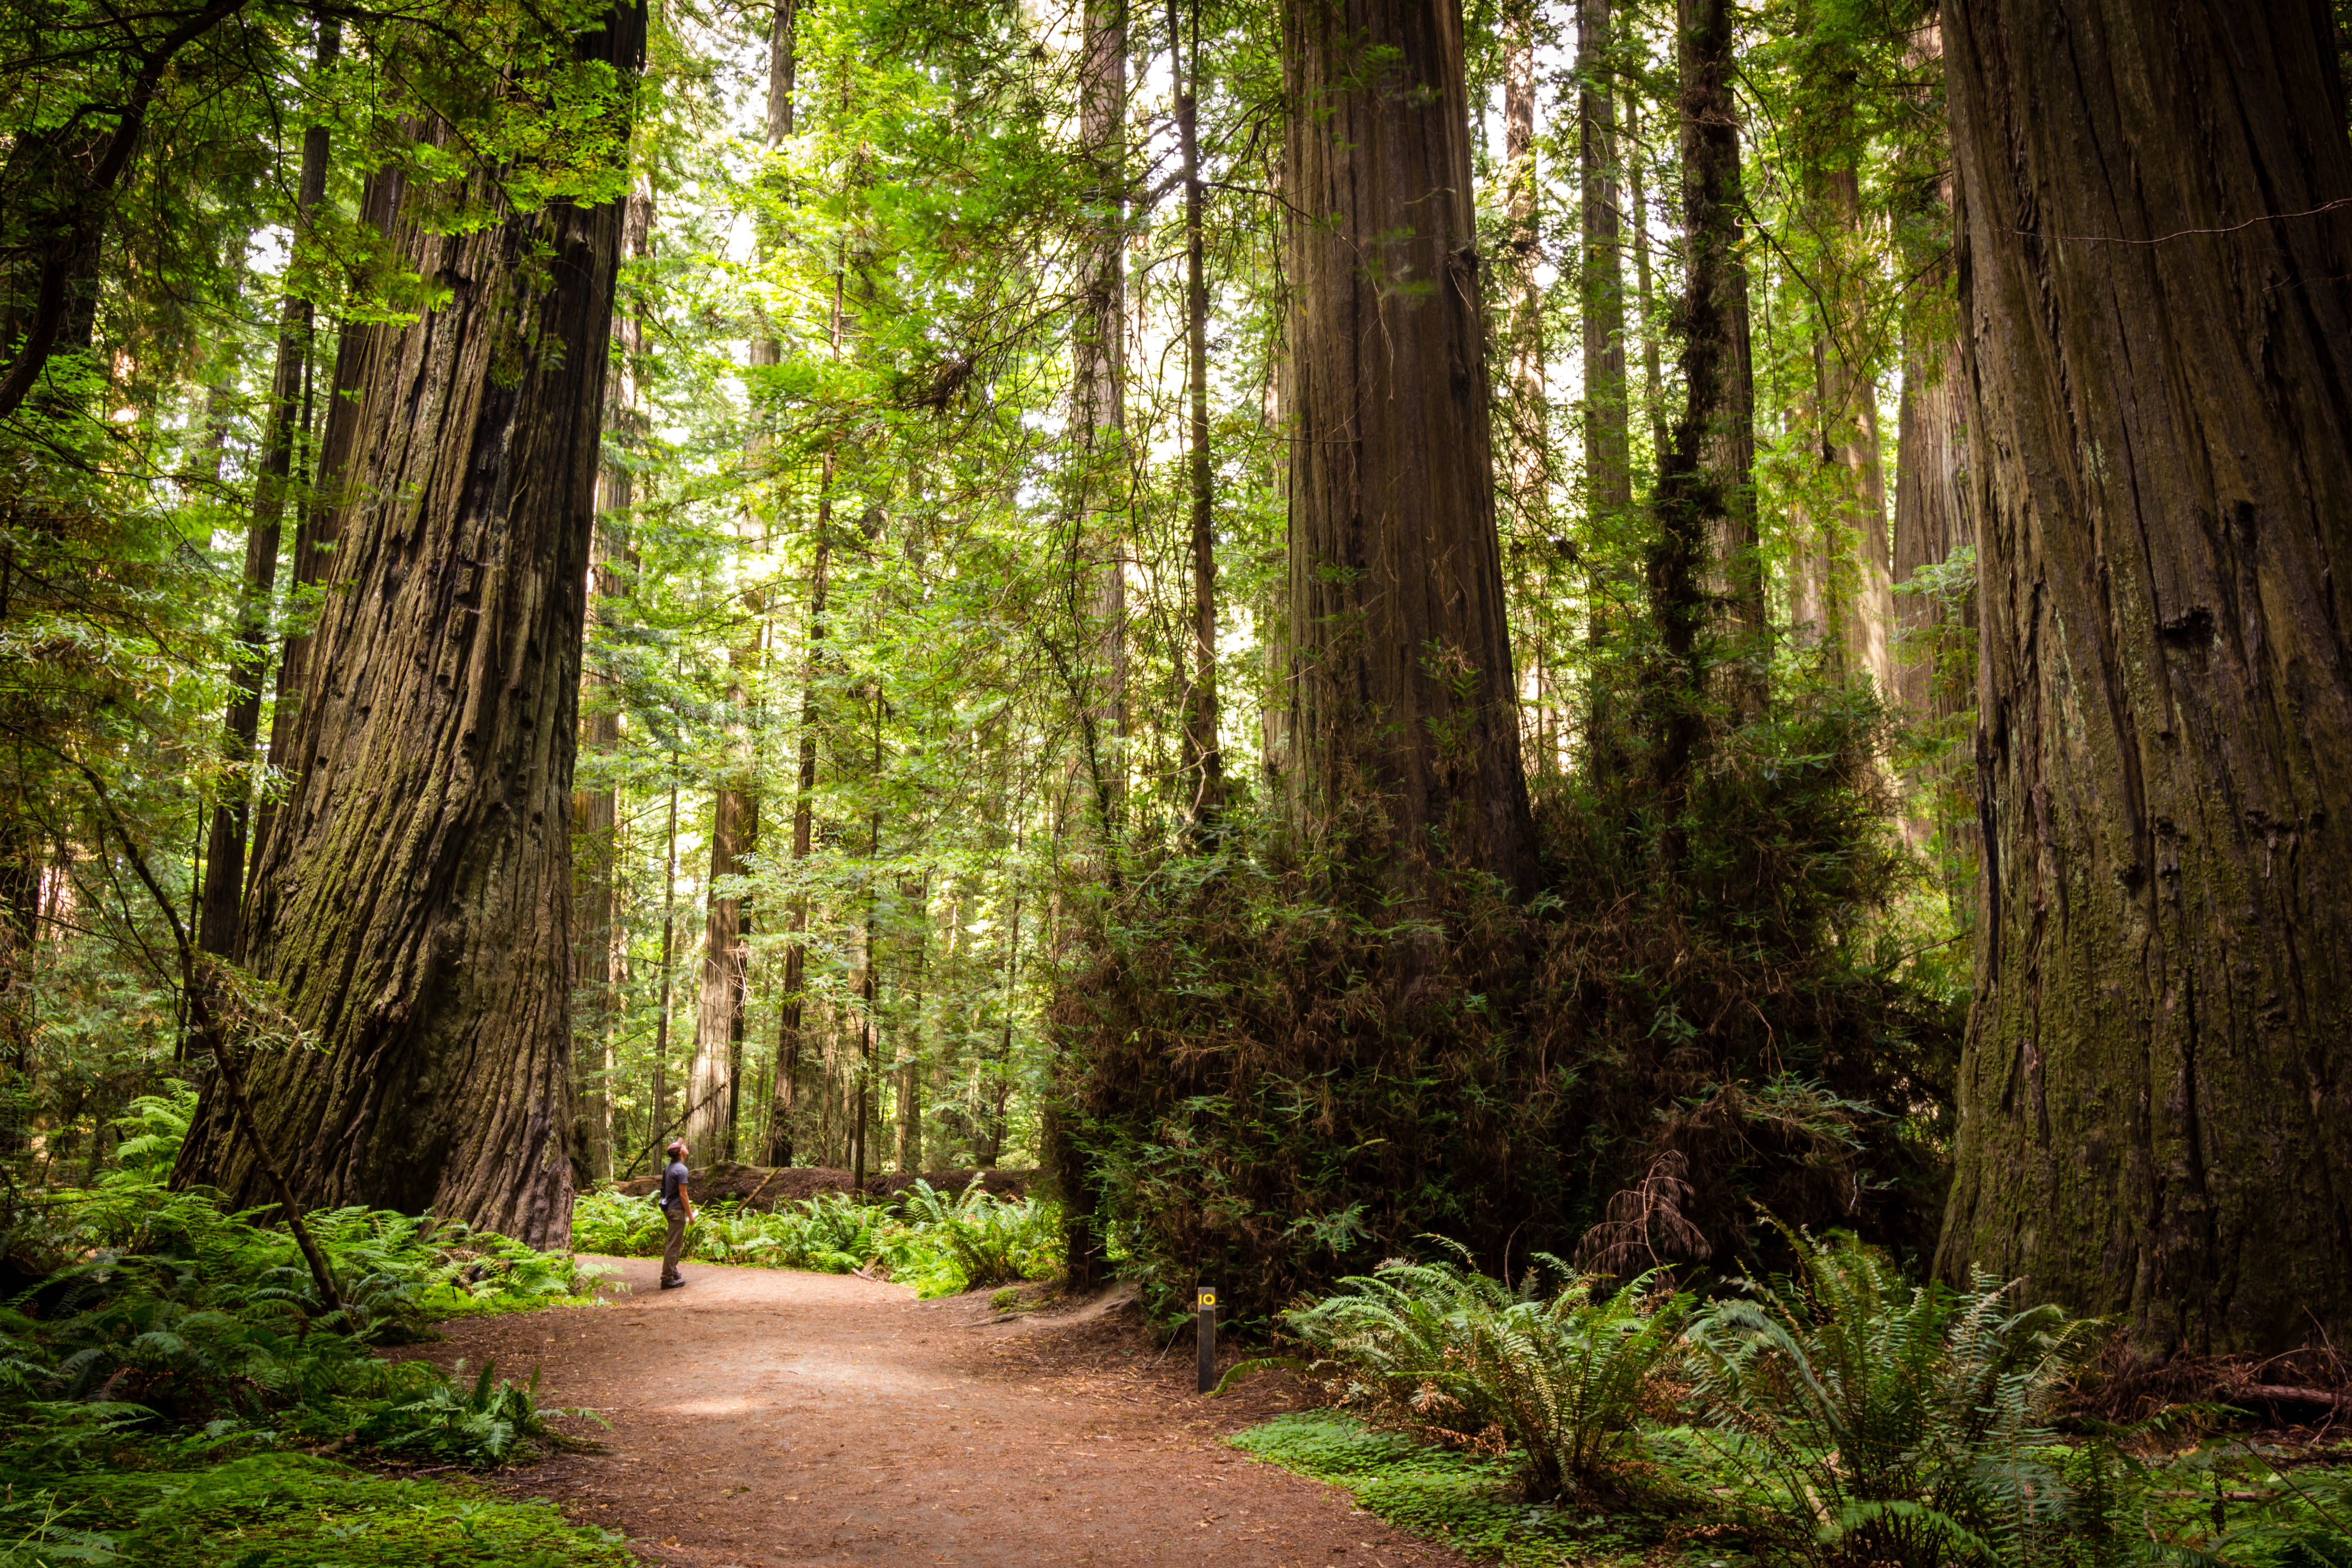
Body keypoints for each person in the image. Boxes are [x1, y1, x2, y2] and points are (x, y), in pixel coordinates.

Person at [657, 1139, 695, 1290]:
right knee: (674, 1245)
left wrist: (679, 1142)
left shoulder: (669, 1166)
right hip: (677, 1211)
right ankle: (666, 1278)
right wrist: (690, 1215)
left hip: (668, 1209)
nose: (686, 1147)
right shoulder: (682, 1170)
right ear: (681, 1153)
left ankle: (672, 1271)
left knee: (674, 1242)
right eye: (684, 1147)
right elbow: (683, 1195)